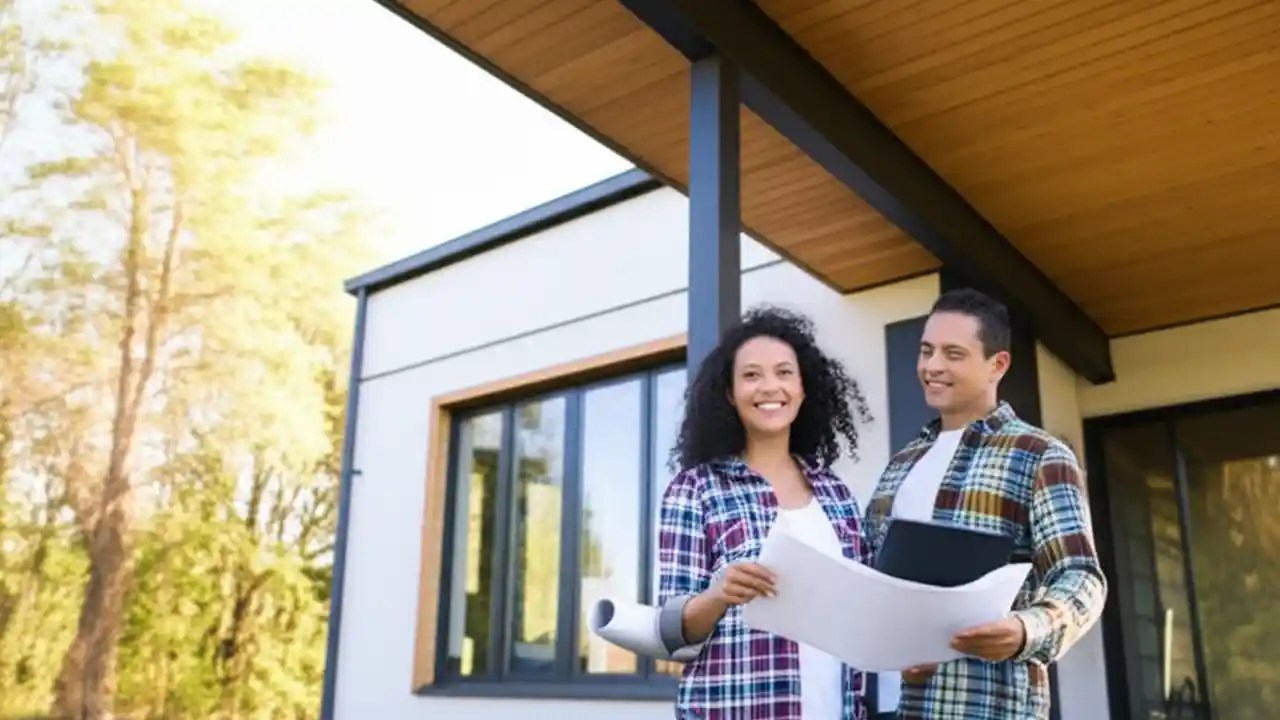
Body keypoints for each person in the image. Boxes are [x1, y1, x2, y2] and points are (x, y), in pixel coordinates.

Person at [863, 288, 1107, 719]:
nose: (932, 366)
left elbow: (1081, 577)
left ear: (998, 364)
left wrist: (1024, 630)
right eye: (926, 351)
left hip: (990, 707)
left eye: (953, 353)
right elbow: (869, 576)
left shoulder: (1040, 455)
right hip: (899, 707)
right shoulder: (900, 465)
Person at [656, 306, 874, 720]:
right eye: (752, 375)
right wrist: (718, 595)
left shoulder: (836, 494)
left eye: (784, 373)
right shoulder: (696, 489)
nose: (770, 387)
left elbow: (861, 613)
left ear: (803, 388)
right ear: (730, 393)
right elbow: (672, 634)